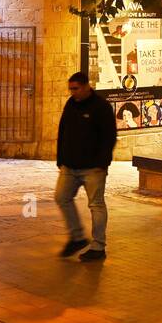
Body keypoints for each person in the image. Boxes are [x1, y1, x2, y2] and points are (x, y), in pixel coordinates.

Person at [55, 71, 117, 261]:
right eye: (71, 89)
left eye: (76, 89)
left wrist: (102, 162)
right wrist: (61, 158)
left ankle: (98, 247)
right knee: (62, 197)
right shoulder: (71, 104)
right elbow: (63, 130)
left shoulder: (101, 107)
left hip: (93, 168)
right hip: (70, 166)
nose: (73, 92)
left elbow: (109, 136)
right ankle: (77, 237)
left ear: (86, 86)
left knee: (96, 205)